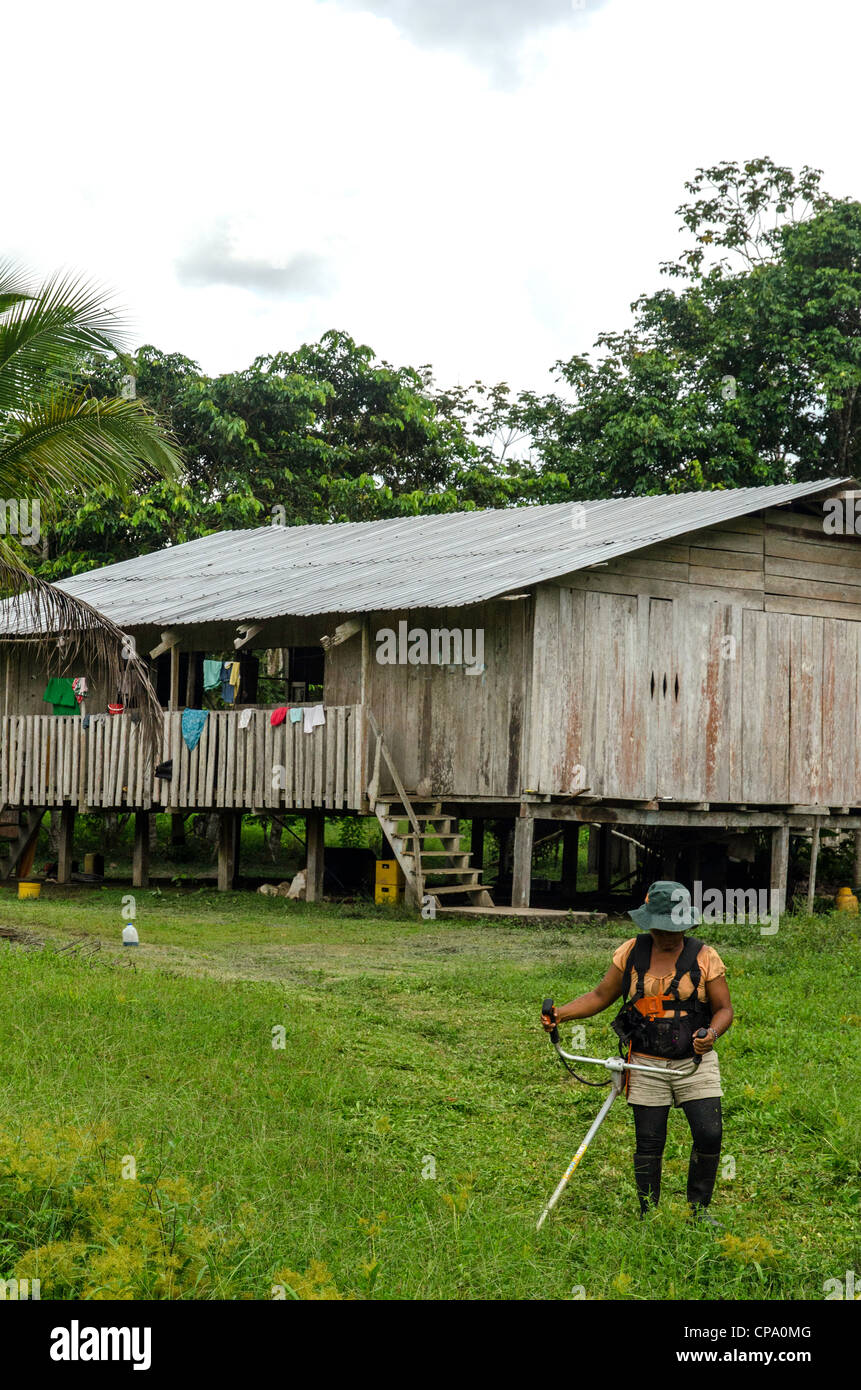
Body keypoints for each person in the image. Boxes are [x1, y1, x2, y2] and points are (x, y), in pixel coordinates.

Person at [542, 880, 733, 1226]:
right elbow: (600, 996)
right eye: (661, 929)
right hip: (645, 1061)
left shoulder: (705, 957)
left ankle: (700, 1210)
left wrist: (712, 1033)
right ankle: (649, 1214)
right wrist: (561, 1014)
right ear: (649, 923)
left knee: (709, 1133)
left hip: (694, 1063)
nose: (668, 936)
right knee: (649, 1140)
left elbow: (724, 1009)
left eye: (675, 929)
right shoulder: (631, 953)